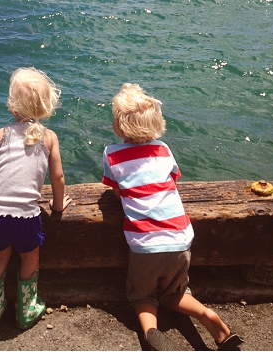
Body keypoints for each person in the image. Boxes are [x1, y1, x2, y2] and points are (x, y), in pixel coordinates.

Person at [103, 83, 243, 351]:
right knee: (174, 293)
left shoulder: (112, 154)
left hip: (145, 244)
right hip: (180, 237)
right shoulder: (164, 149)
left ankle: (151, 332)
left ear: (119, 127)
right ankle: (207, 315)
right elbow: (173, 179)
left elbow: (118, 191)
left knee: (142, 296)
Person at [0, 67, 72, 330]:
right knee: (30, 257)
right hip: (24, 217)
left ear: (12, 106)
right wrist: (57, 205)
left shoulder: (1, 134)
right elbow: (58, 178)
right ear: (45, 106)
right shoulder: (49, 137)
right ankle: (26, 308)